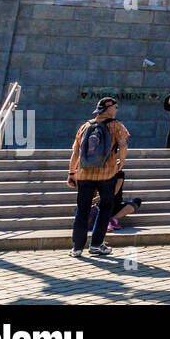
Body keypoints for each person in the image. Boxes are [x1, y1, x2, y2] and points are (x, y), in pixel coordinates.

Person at [67, 97, 129, 258]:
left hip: (84, 173)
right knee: (105, 208)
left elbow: (75, 152)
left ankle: (77, 247)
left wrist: (71, 173)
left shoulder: (85, 126)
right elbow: (123, 145)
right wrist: (120, 163)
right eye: (115, 107)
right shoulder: (116, 126)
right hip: (107, 173)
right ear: (109, 108)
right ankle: (96, 245)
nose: (116, 110)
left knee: (82, 209)